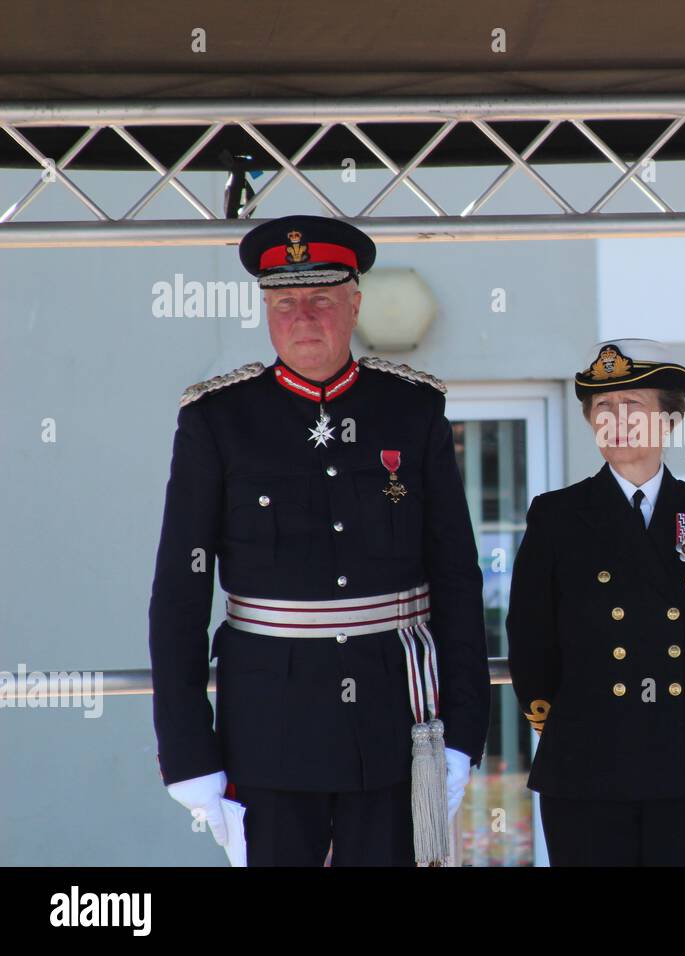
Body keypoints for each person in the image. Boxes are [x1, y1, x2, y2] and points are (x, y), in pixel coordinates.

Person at [148, 214, 490, 866]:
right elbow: (179, 596)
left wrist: (462, 733)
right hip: (269, 731)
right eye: (285, 302)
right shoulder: (218, 421)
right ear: (266, 311)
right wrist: (188, 752)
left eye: (321, 300)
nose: (303, 317)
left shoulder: (411, 411)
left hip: (396, 727)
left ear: (355, 303)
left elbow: (455, 578)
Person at [506, 339, 685, 866]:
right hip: (587, 757)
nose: (615, 420)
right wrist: (558, 720)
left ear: (669, 422)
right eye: (602, 409)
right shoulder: (557, 516)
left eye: (632, 407)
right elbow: (529, 634)